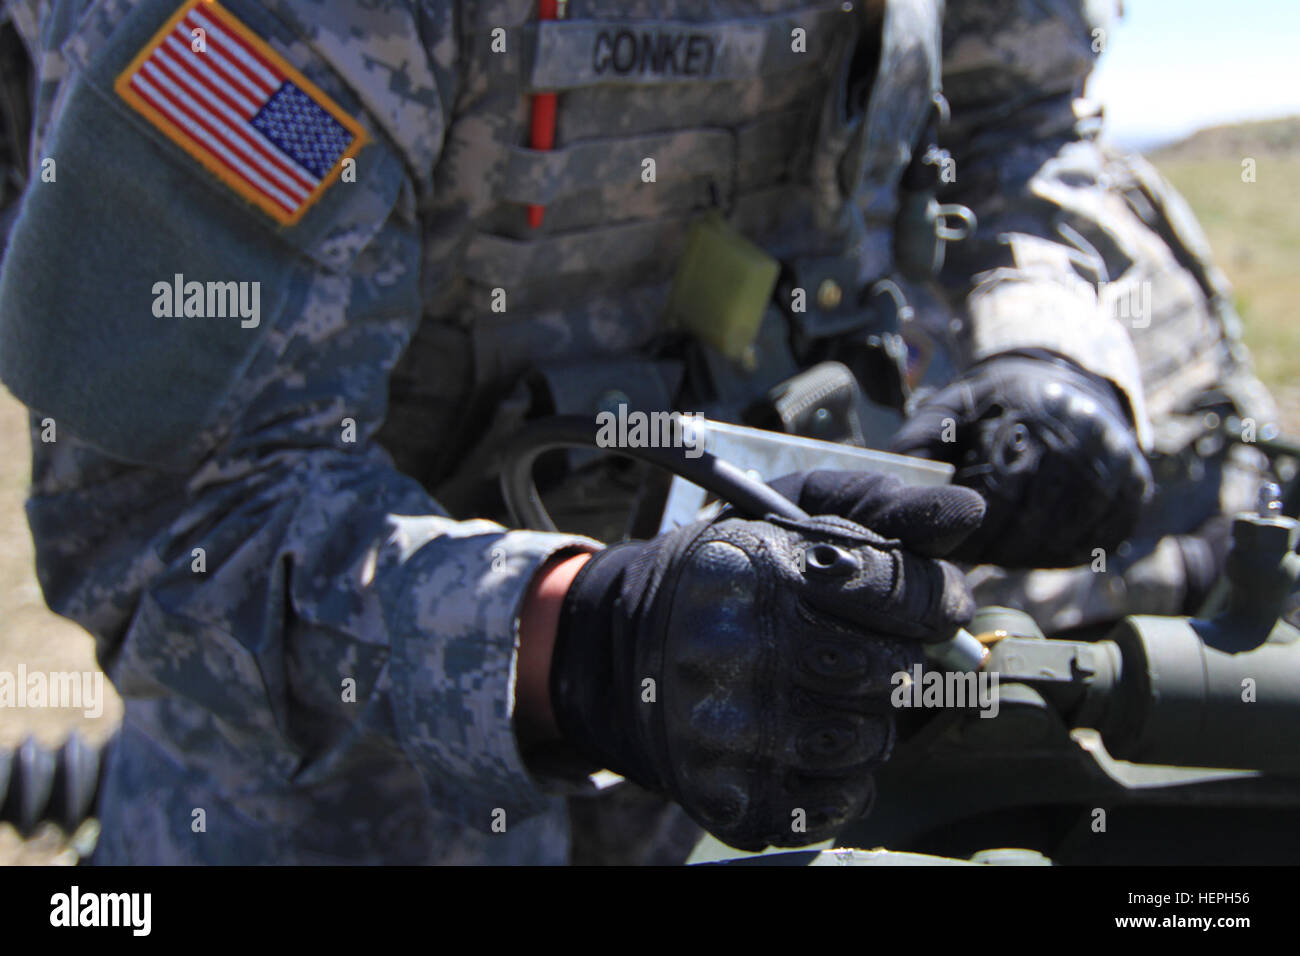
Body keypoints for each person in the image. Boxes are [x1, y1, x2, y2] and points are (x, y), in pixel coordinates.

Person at [0, 0, 1276, 864]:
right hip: (333, 787)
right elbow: (166, 523)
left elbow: (1025, 120)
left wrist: (1050, 349)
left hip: (765, 739)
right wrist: (585, 638)